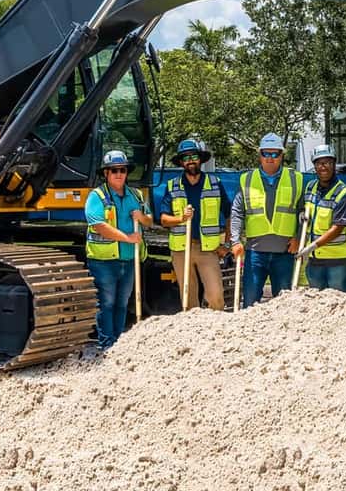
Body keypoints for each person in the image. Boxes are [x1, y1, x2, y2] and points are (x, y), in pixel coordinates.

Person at [230, 132, 305, 307]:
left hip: (285, 253)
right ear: (260, 155)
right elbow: (237, 212)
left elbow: (303, 214)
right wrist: (235, 240)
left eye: (275, 154)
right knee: (250, 302)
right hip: (255, 253)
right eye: (266, 153)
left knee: (284, 305)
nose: (270, 158)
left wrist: (298, 238)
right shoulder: (247, 180)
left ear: (282, 155)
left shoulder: (296, 179)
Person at [84, 149, 148, 349]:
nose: (118, 174)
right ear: (106, 173)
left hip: (129, 259)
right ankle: (106, 344)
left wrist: (142, 218)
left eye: (122, 170)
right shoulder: (97, 196)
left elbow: (150, 221)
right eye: (113, 170)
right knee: (107, 304)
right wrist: (127, 238)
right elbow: (99, 225)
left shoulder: (135, 195)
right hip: (103, 261)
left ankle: (118, 344)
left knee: (122, 304)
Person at [156, 137, 229, 311]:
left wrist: (226, 243)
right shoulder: (173, 186)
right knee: (188, 299)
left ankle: (214, 331)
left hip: (208, 249)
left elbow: (229, 215)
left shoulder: (215, 184)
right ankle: (194, 334)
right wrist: (181, 218)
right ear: (181, 162)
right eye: (186, 158)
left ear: (201, 159)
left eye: (194, 157)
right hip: (182, 249)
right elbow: (164, 219)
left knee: (216, 297)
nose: (190, 161)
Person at [298, 144, 346, 291]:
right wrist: (302, 215)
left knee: (340, 304)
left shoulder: (344, 194)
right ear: (314, 166)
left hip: (339, 261)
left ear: (334, 164)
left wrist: (312, 246)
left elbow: (338, 228)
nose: (323, 167)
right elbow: (306, 209)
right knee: (318, 303)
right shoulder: (310, 187)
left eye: (327, 162)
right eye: (319, 163)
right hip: (316, 260)